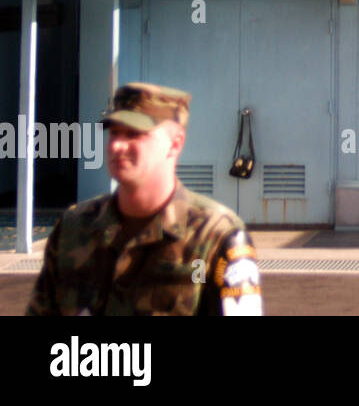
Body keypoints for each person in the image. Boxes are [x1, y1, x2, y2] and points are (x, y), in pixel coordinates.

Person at [26, 82, 263, 316]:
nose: (117, 145)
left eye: (134, 134)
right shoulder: (74, 228)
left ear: (175, 143)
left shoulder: (216, 235)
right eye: (115, 133)